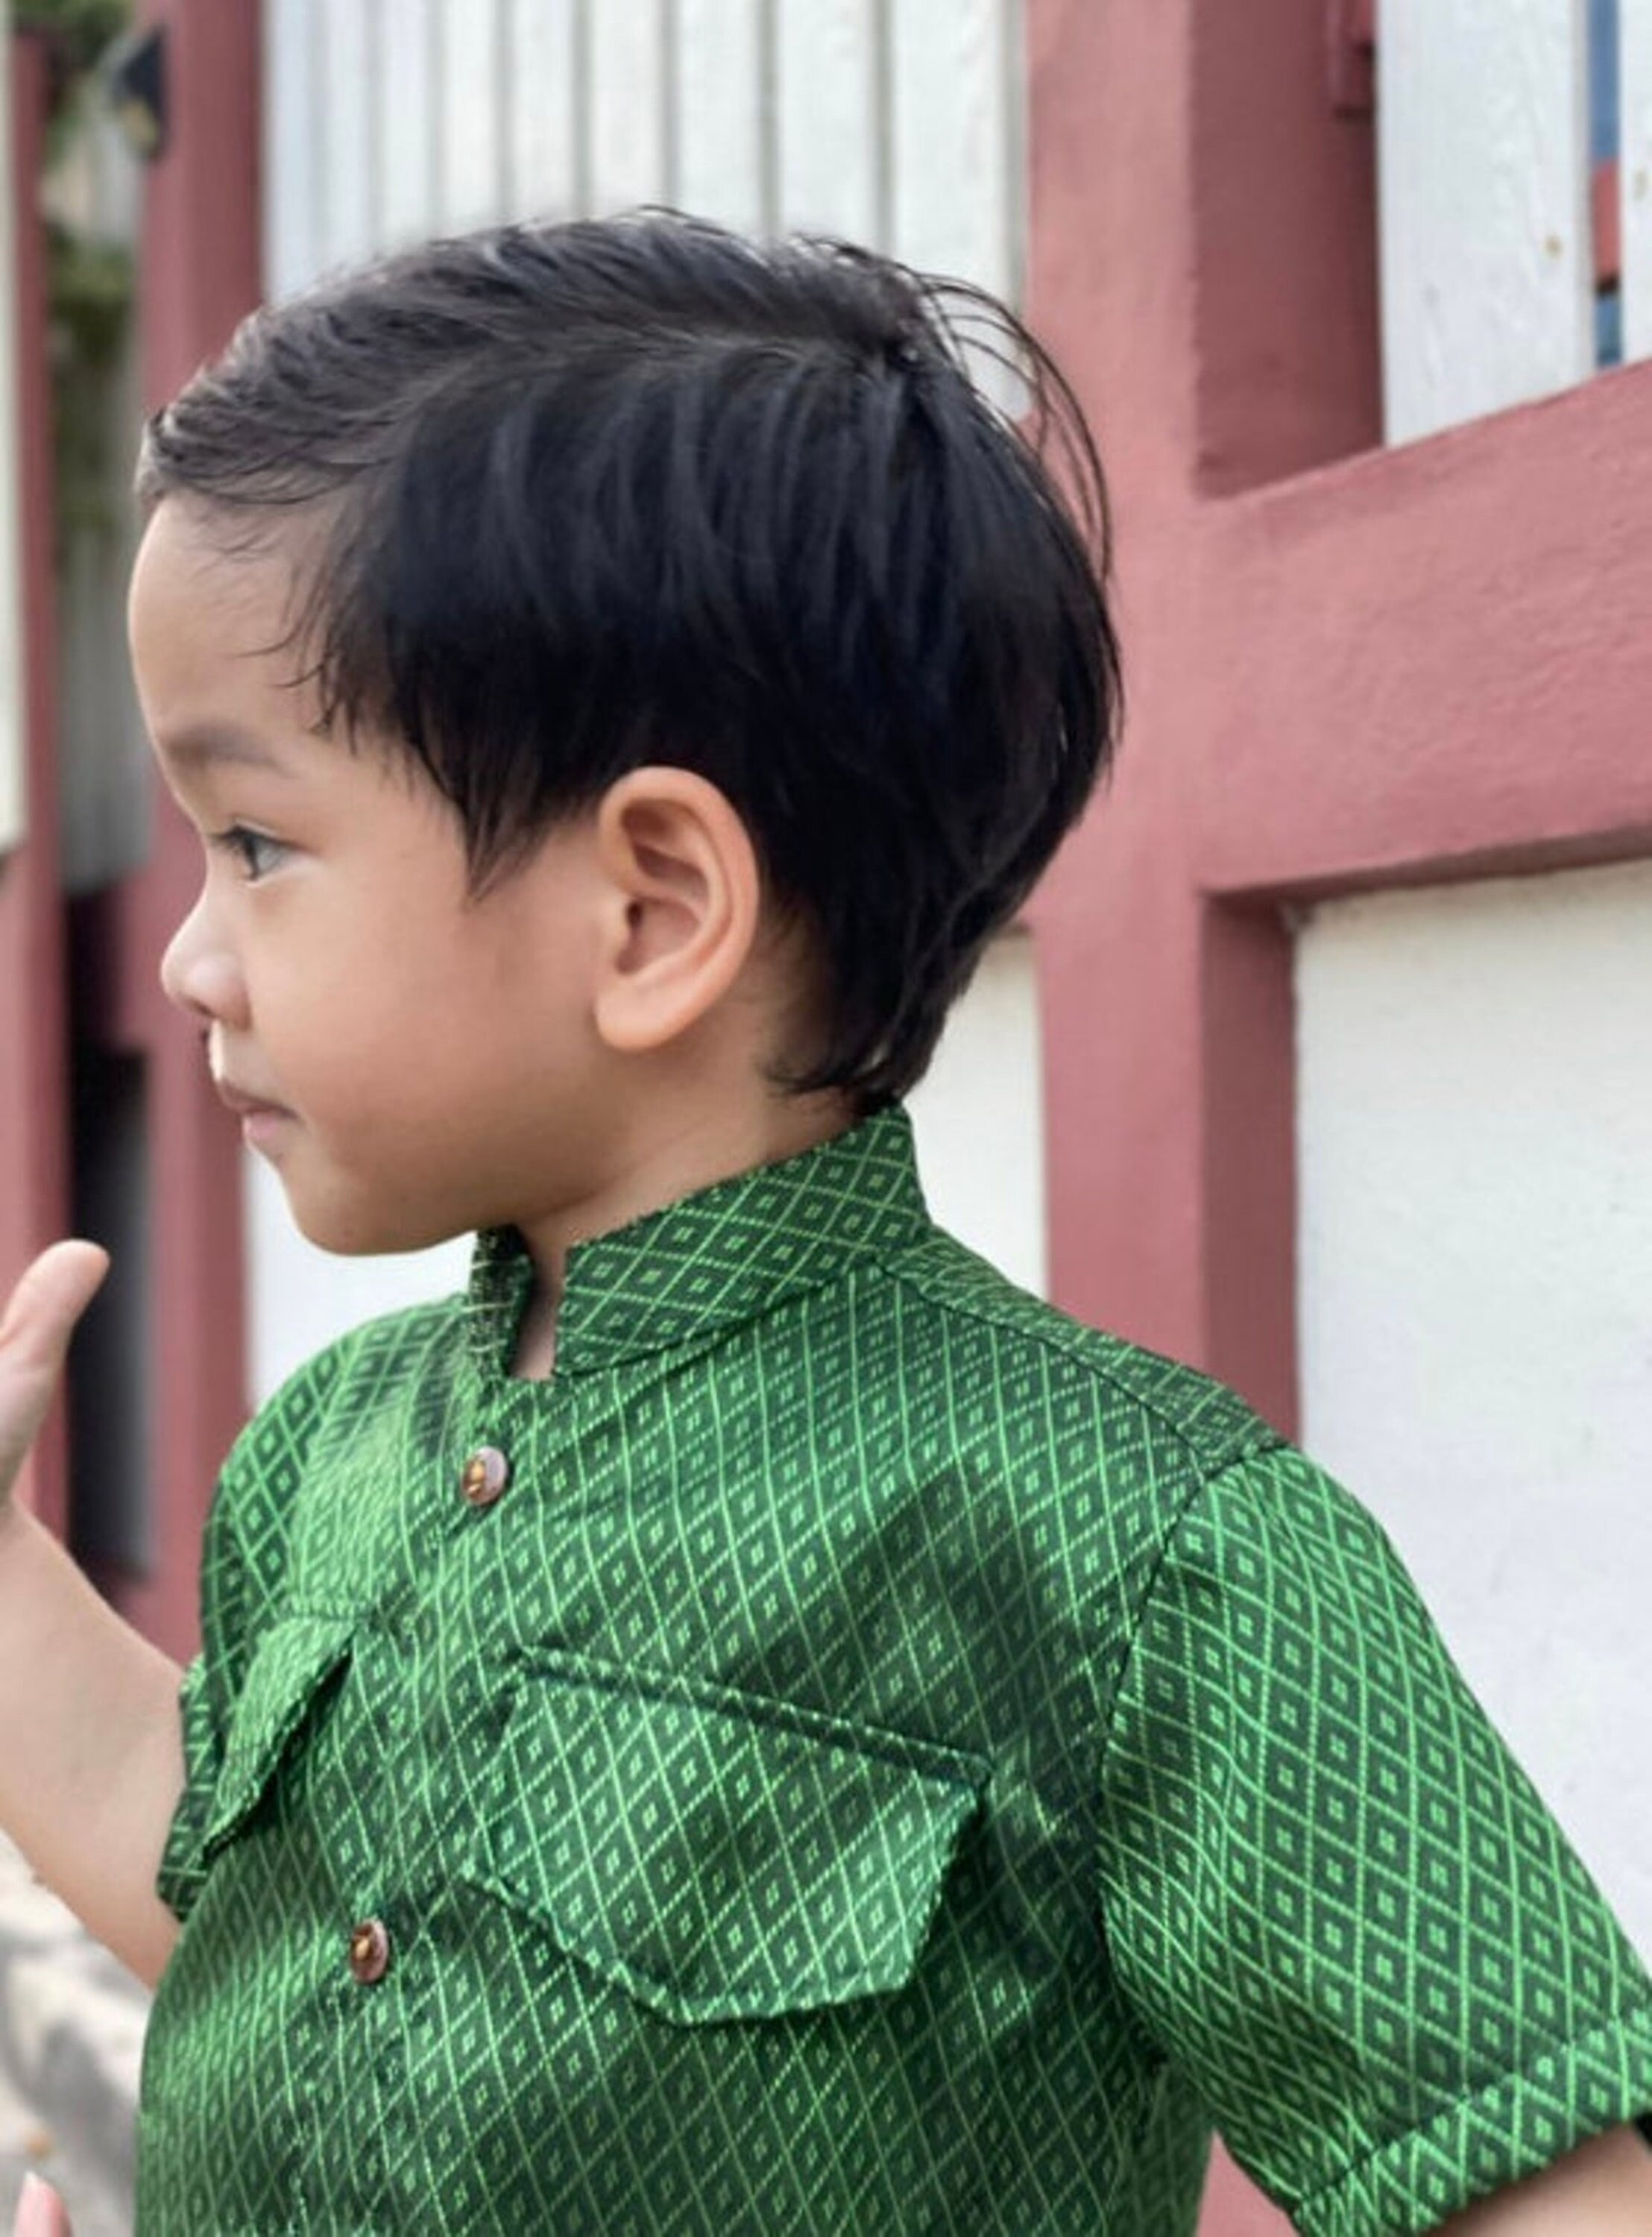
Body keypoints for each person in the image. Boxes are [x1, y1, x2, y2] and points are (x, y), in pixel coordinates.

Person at [0, 212, 1648, 2236]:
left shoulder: (1140, 1560)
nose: (186, 959)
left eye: (258, 844)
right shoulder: (331, 1457)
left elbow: (1526, 2182)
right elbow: (267, 1938)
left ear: (654, 910)